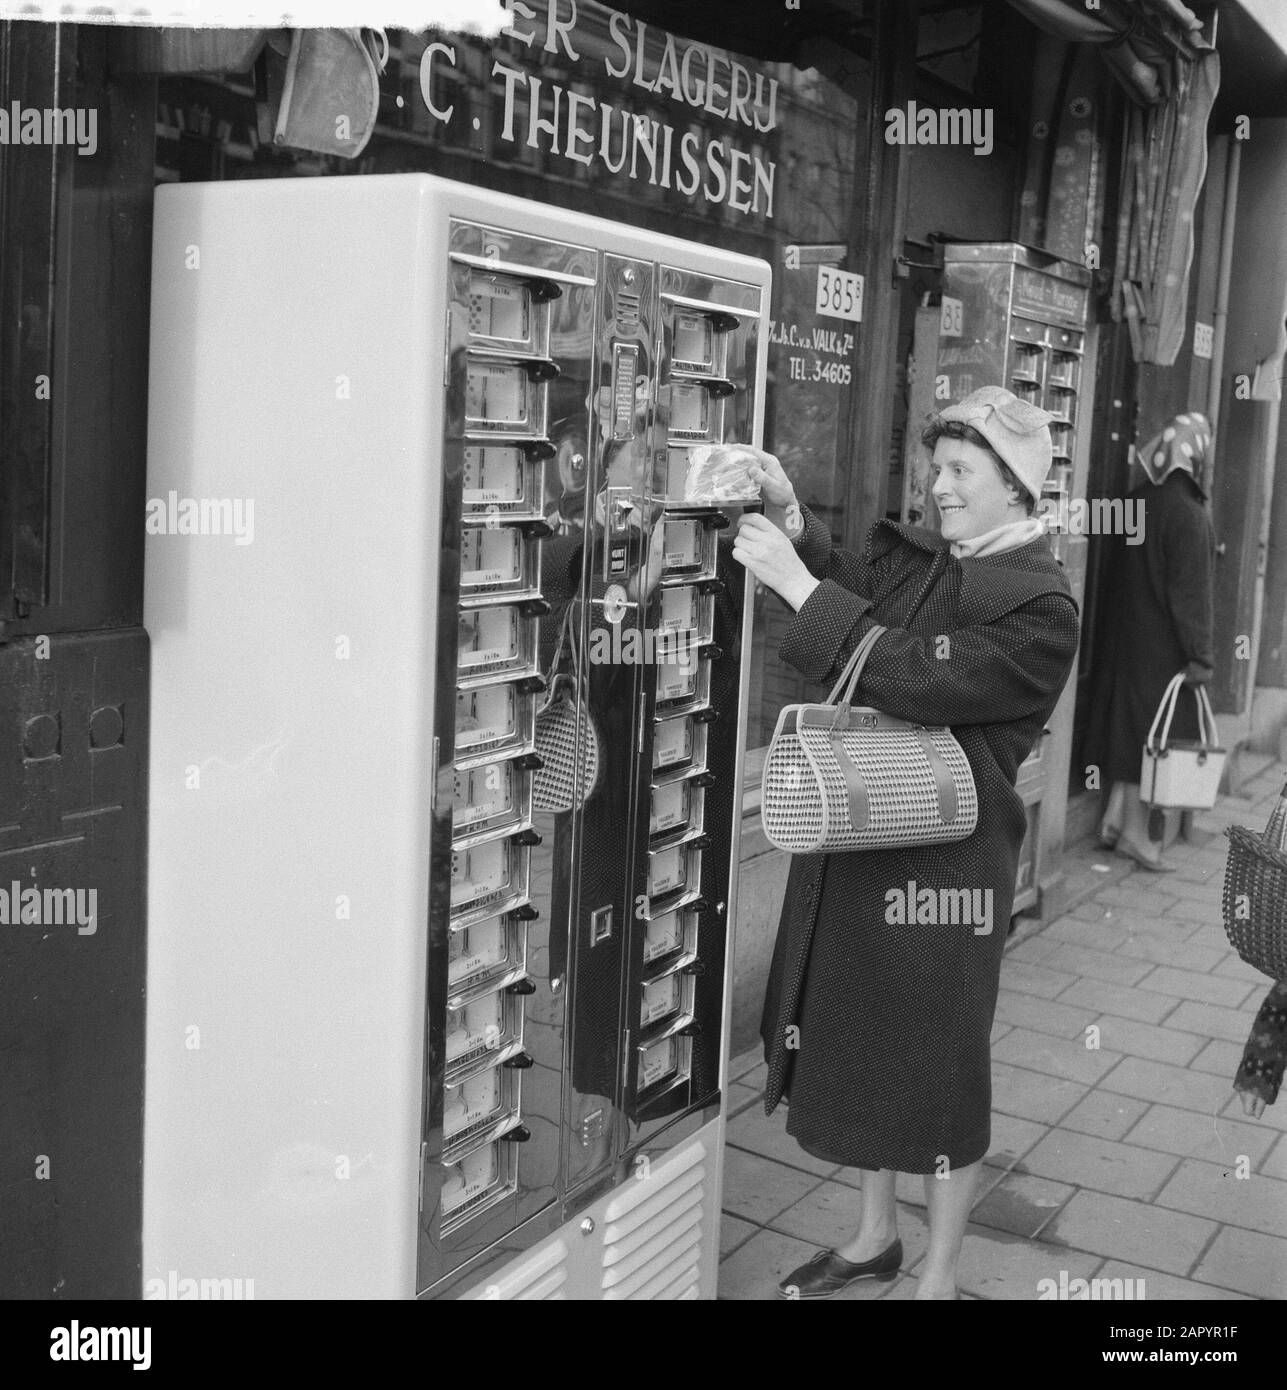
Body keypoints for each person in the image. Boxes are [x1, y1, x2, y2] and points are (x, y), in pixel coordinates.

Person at [729, 385, 1080, 1300]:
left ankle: (938, 1276)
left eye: (961, 470)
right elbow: (854, 589)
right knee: (864, 1043)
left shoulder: (1043, 610)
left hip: (949, 877)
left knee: (938, 1074)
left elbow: (917, 678)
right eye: (938, 466)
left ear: (1016, 487)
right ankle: (874, 1237)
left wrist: (795, 584)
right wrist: (791, 518)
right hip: (870, 839)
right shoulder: (942, 562)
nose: (939, 486)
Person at [1084, 411, 1217, 871]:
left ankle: (1114, 823)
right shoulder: (1190, 515)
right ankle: (1138, 839)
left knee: (1127, 731)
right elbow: (1192, 598)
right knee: (1154, 741)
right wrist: (1201, 657)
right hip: (1164, 650)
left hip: (1124, 638)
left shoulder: (1137, 501)